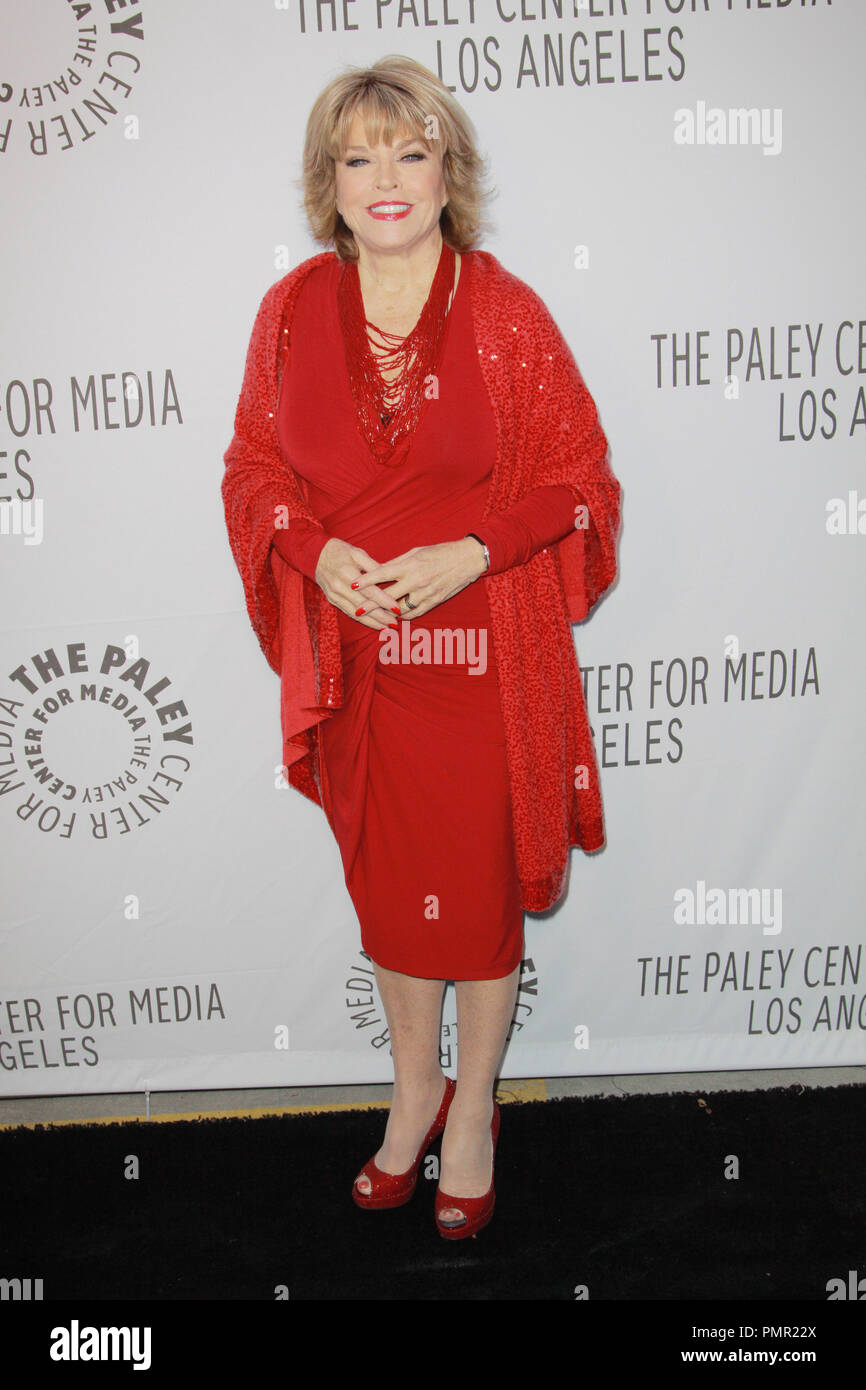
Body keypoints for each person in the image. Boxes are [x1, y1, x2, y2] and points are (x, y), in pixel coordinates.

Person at [222, 54, 621, 1239]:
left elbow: (580, 484)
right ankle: (411, 1094)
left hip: (483, 665)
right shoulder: (288, 310)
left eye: (409, 151)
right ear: (327, 183)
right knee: (393, 901)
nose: (384, 178)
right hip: (355, 669)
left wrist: (473, 549)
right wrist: (308, 550)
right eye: (358, 157)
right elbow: (253, 471)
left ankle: (474, 1112)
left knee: (481, 900)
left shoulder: (503, 312)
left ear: (447, 170)